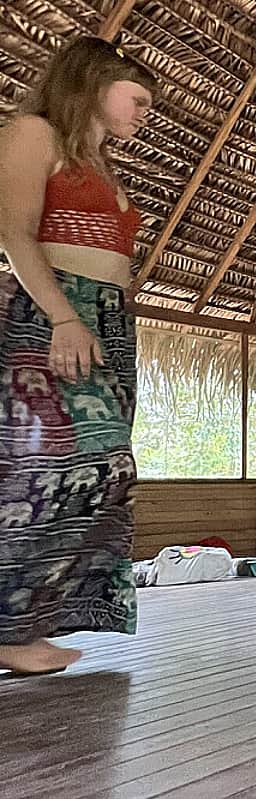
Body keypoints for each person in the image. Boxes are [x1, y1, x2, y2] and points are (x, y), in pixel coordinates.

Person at [0, 37, 156, 674]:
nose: (145, 111)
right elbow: (11, 228)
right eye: (137, 98)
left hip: (109, 322)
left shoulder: (103, 165)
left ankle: (33, 619)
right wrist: (63, 315)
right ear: (95, 82)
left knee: (105, 473)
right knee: (50, 469)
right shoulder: (36, 132)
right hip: (53, 311)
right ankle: (10, 625)